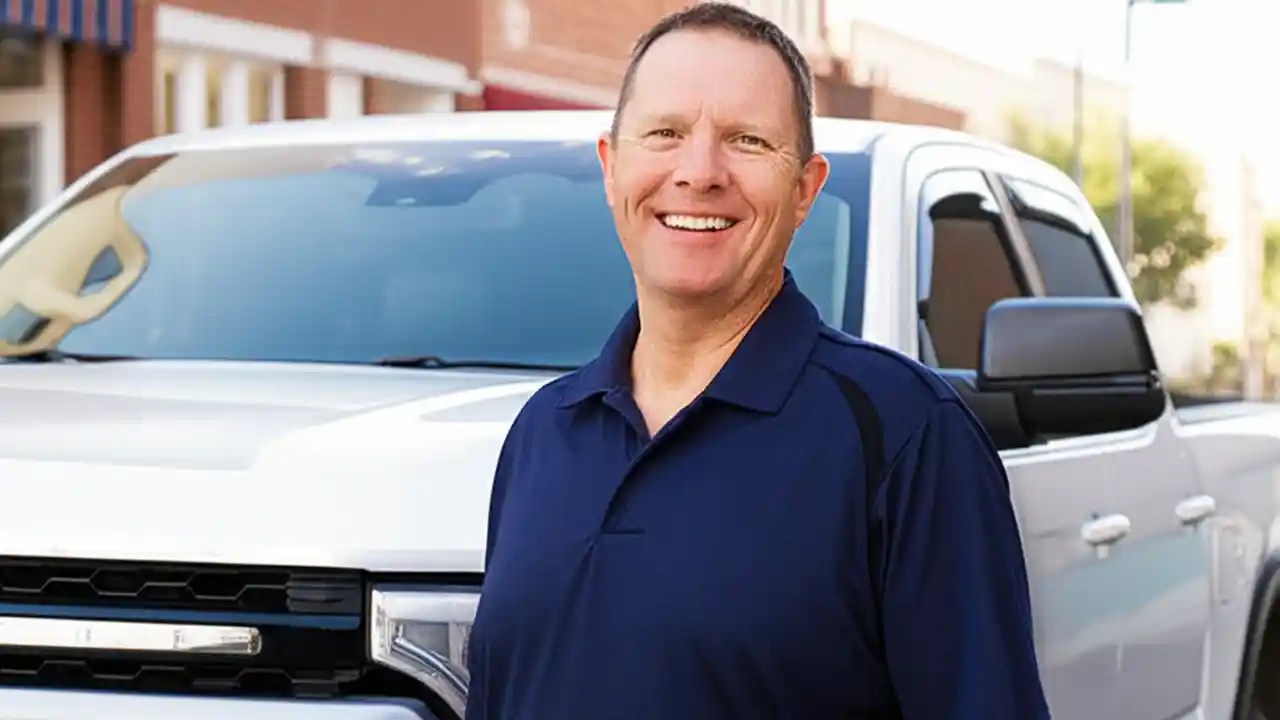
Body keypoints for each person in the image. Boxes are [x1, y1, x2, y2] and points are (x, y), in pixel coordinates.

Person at [464, 3, 1051, 719]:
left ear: (804, 188)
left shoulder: (906, 437)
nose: (699, 172)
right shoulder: (542, 435)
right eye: (665, 133)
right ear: (611, 166)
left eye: (746, 140)